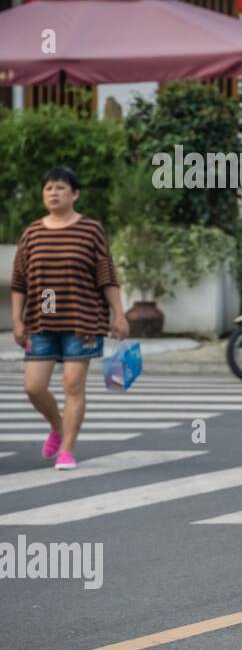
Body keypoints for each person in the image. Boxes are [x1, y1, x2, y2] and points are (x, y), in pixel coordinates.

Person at [10, 167, 130, 470]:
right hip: (41, 321)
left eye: (60, 188)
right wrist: (17, 320)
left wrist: (119, 314)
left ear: (74, 194)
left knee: (73, 385)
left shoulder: (91, 230)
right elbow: (19, 281)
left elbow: (106, 275)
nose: (53, 193)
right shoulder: (32, 233)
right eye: (48, 188)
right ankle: (57, 424)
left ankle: (67, 449)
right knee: (33, 387)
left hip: (83, 320)